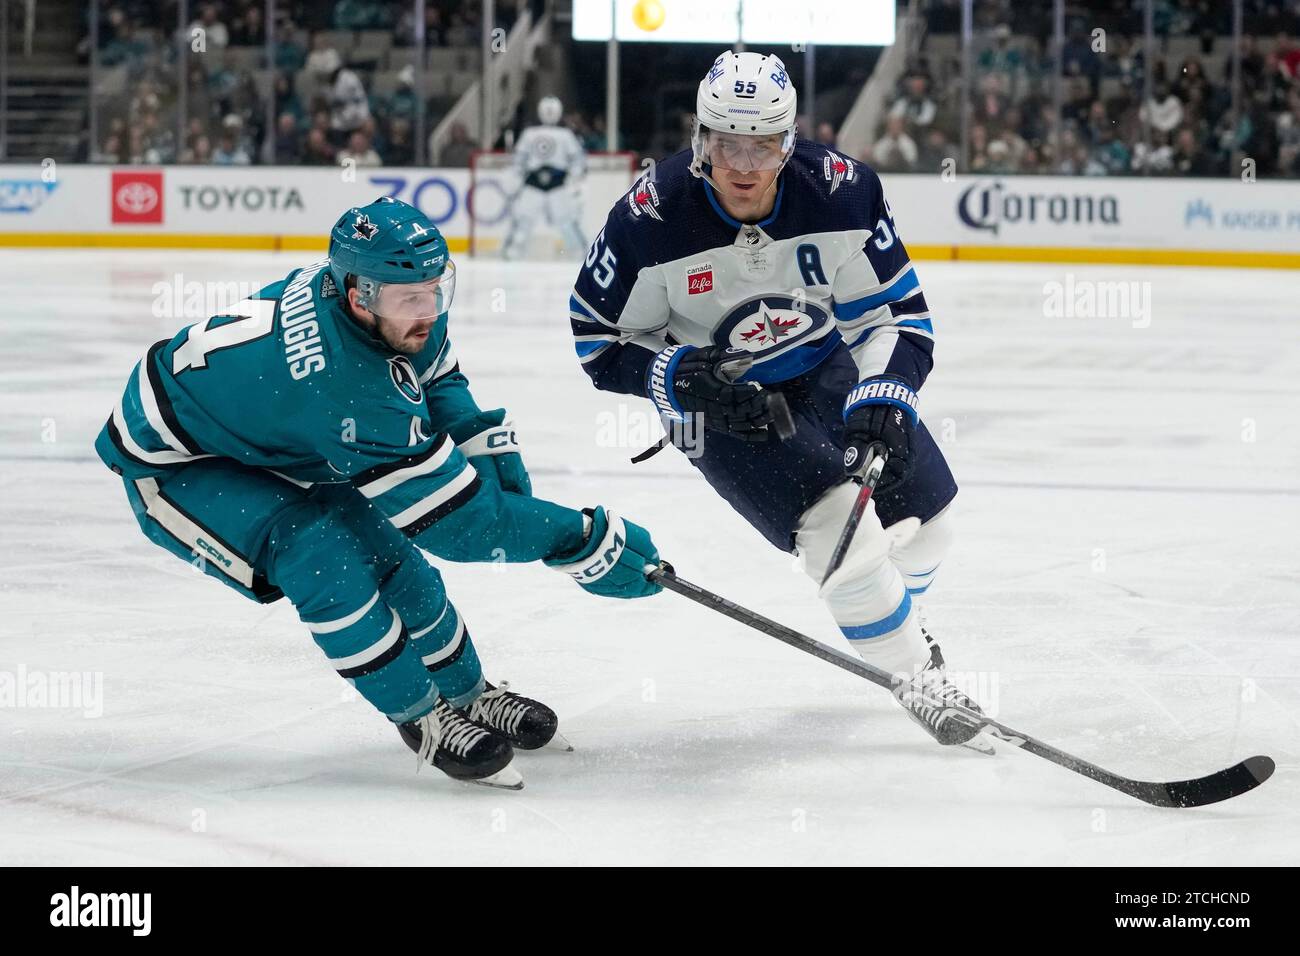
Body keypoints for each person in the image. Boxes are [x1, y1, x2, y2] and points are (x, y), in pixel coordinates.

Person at [96, 198, 662, 790]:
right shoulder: (344, 381)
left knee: (390, 554)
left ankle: (469, 695)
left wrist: (477, 438)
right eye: (407, 298)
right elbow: (459, 527)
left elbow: (435, 373)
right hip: (178, 464)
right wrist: (576, 539)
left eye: (436, 290)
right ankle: (421, 717)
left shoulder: (389, 303)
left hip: (268, 434)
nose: (427, 310)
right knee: (320, 556)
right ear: (356, 294)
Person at [567, 50, 986, 748]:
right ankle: (919, 676)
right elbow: (597, 339)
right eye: (725, 141)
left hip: (824, 369)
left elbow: (896, 317)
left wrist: (882, 394)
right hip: (720, 402)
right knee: (837, 530)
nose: (741, 163)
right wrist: (674, 376)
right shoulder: (649, 217)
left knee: (933, 524)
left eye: (761, 144)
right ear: (700, 137)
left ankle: (891, 622)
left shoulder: (843, 193)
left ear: (788, 142)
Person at [501, 97, 588, 259]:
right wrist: (575, 176)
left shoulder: (530, 134)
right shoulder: (565, 134)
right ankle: (579, 252)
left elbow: (519, 160)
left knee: (531, 220)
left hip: (543, 182)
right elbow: (577, 159)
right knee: (559, 220)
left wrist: (517, 176)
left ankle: (513, 251)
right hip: (549, 182)